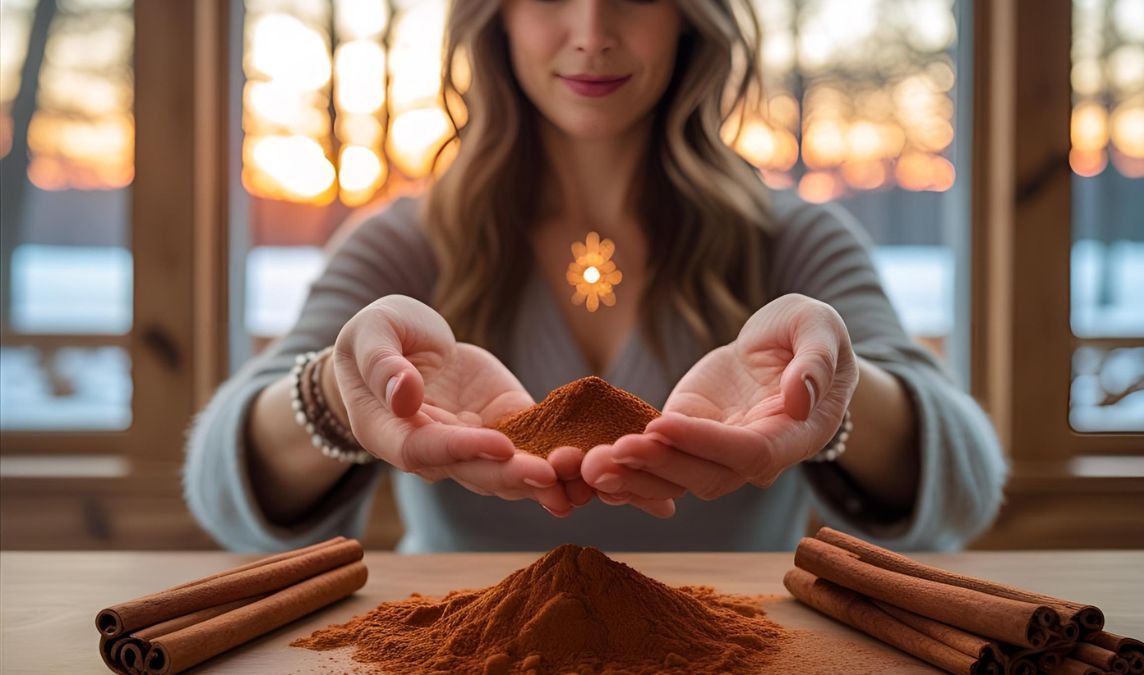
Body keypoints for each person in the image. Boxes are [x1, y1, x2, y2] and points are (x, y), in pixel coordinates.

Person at [183, 0, 1007, 553]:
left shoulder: (791, 240)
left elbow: (967, 488)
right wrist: (335, 394)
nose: (592, 29)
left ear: (689, 17)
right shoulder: (406, 245)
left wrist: (827, 398)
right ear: (494, 16)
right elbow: (221, 490)